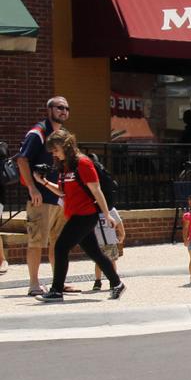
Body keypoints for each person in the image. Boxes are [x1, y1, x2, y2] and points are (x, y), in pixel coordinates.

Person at [31, 129, 125, 301]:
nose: (54, 154)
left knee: (60, 247)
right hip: (75, 213)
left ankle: (56, 291)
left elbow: (97, 191)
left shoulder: (83, 163)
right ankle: (117, 283)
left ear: (65, 146)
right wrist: (42, 182)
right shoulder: (65, 165)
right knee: (95, 252)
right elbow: (62, 192)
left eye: (56, 150)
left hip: (86, 214)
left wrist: (107, 214)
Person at [15, 96, 70, 296]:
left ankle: (58, 283)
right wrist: (32, 188)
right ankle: (33, 284)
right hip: (41, 198)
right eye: (59, 108)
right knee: (37, 242)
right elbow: (22, 160)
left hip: (60, 197)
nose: (63, 111)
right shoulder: (37, 133)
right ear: (49, 110)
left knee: (60, 243)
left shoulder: (62, 134)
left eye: (66, 108)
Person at [91, 206, 125, 291]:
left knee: (111, 261)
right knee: (99, 262)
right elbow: (119, 223)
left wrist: (122, 234)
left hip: (109, 241)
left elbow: (118, 222)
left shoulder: (111, 210)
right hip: (100, 242)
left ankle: (112, 280)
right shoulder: (94, 210)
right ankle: (98, 281)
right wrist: (122, 234)